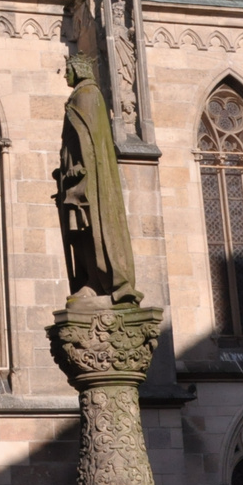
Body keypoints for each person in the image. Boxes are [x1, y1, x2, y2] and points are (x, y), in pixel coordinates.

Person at [54, 53, 139, 305]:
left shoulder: (88, 95)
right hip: (75, 178)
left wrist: (81, 170)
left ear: (79, 69)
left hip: (86, 180)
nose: (65, 74)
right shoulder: (79, 96)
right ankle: (90, 280)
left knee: (90, 228)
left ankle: (98, 281)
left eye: (68, 69)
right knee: (79, 231)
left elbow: (89, 141)